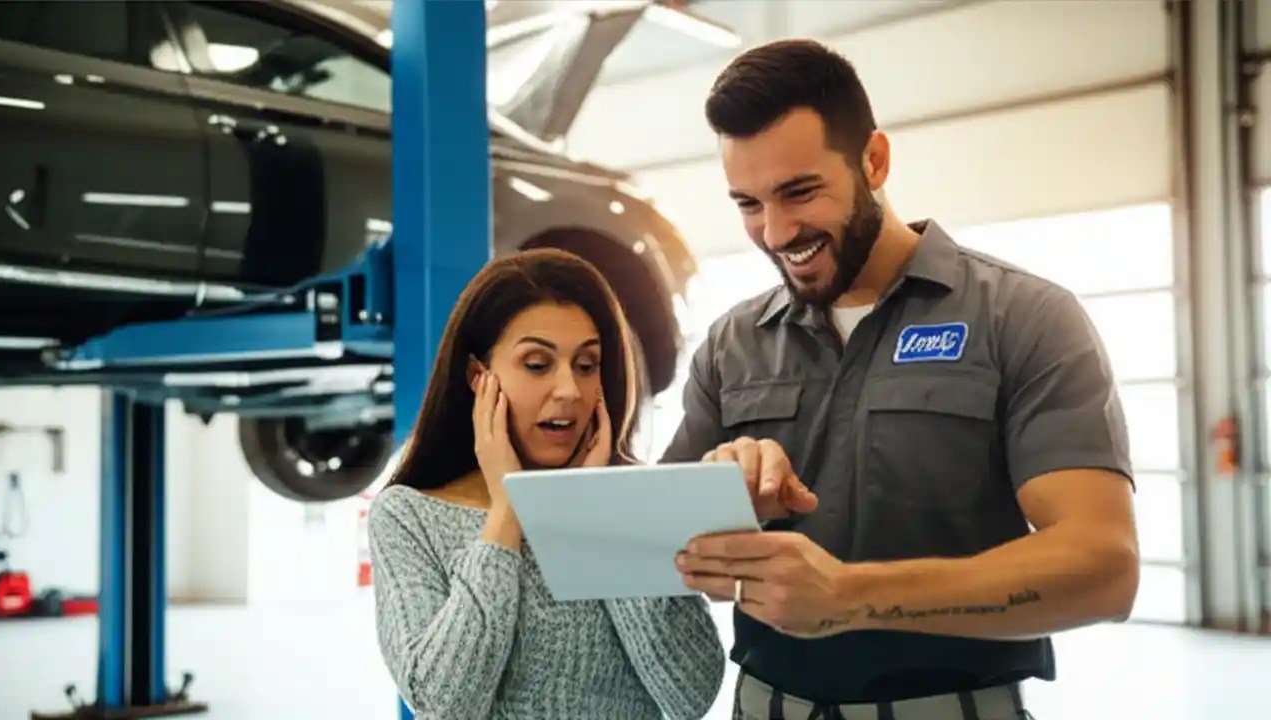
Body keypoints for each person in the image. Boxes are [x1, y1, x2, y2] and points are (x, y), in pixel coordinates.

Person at [666, 39, 1140, 720]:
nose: (775, 232)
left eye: (799, 193)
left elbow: (1104, 569)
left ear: (875, 161)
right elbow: (661, 546)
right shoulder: (731, 343)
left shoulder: (1022, 317)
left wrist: (850, 596)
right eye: (748, 203)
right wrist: (720, 488)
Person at [368, 248, 726, 720]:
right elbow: (444, 703)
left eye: (586, 365)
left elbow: (691, 693)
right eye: (537, 364)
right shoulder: (407, 516)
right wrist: (507, 510)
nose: (569, 391)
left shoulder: (629, 504)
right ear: (479, 377)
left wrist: (592, 512)